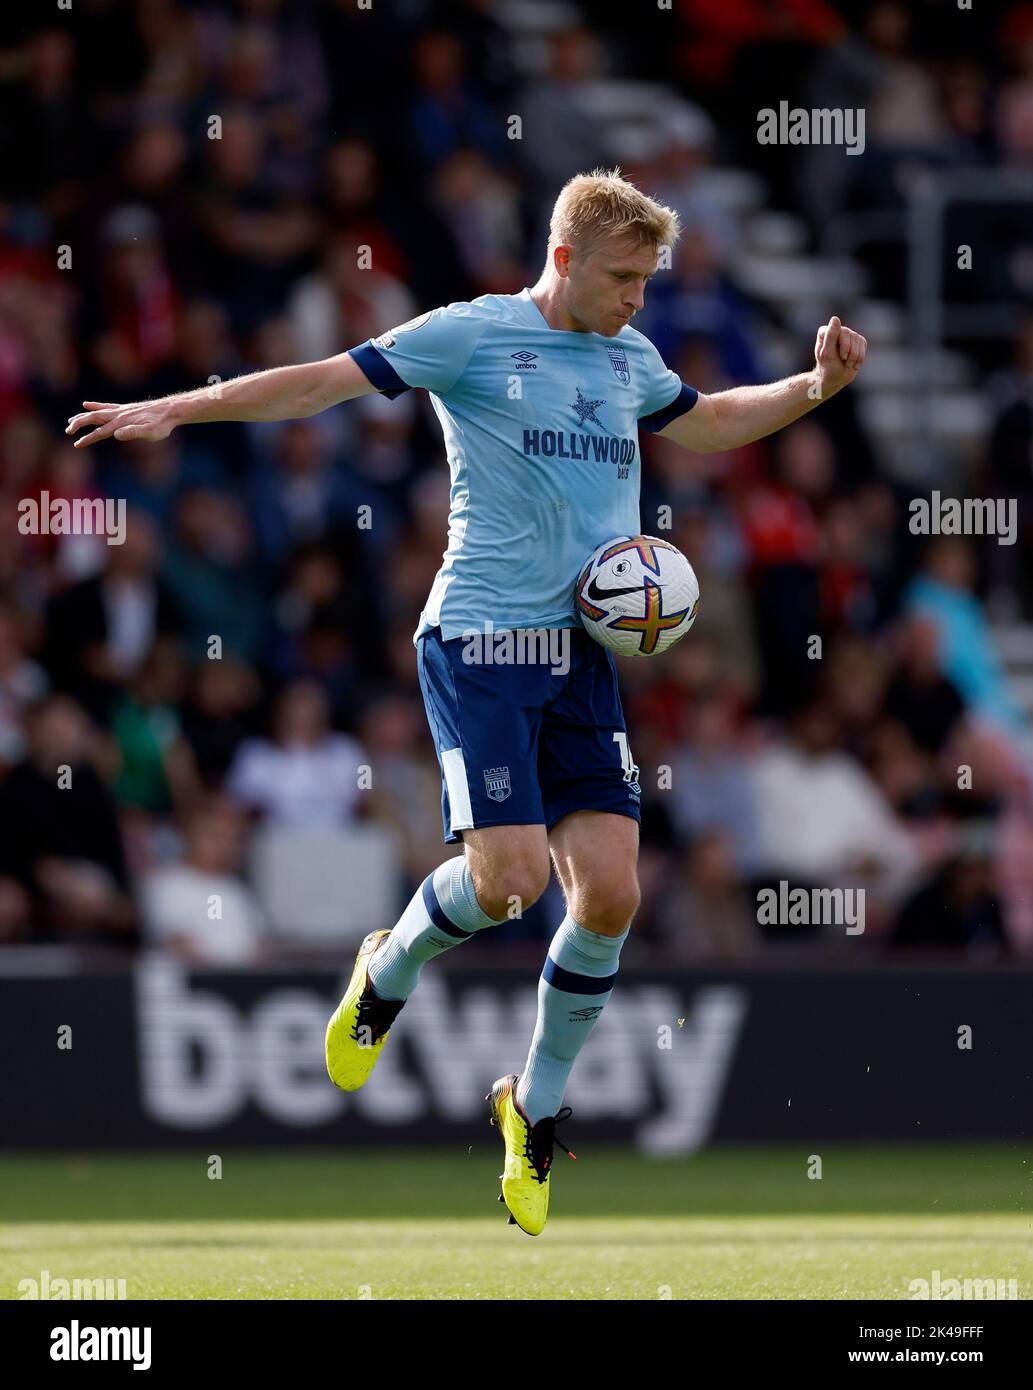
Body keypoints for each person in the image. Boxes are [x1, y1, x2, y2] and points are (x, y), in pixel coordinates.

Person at [65, 167, 867, 1236]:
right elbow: (319, 382)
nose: (637, 300)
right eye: (623, 278)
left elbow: (713, 421)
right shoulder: (473, 336)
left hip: (579, 650)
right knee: (508, 881)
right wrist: (184, 405)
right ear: (566, 257)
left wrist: (812, 385)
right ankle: (385, 970)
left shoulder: (628, 357)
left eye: (648, 282)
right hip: (480, 639)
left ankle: (531, 1110)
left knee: (613, 895)